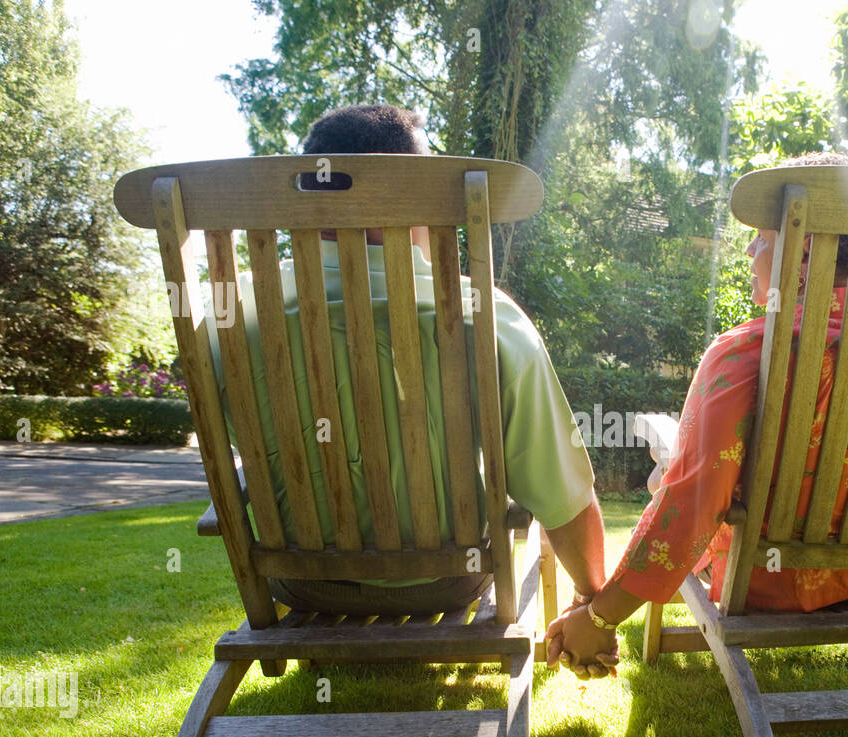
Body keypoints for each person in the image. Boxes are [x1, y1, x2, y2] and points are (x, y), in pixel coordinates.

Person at [546, 152, 848, 678]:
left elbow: (694, 500)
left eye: (760, 238)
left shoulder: (747, 352)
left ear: (803, 252)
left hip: (764, 577)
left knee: (670, 467)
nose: (750, 252)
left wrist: (600, 616)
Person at [209, 104, 607, 616]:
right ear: (420, 200)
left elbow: (244, 450)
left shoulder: (229, 324)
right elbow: (561, 494)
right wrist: (594, 604)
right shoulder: (487, 319)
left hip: (301, 582)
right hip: (448, 580)